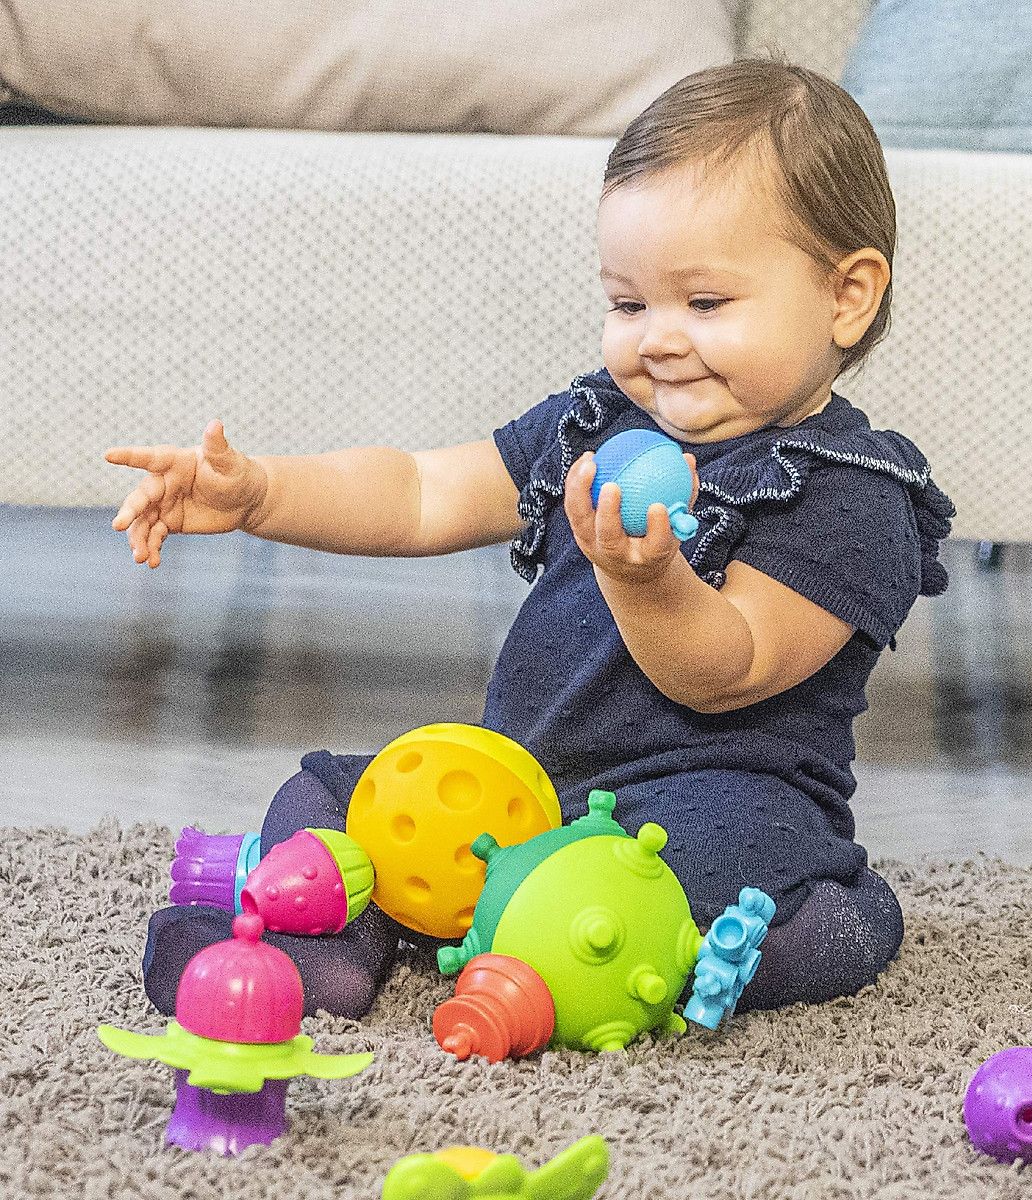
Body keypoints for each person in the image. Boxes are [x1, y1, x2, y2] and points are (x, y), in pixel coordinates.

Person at [105, 58, 954, 1021]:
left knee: (713, 880)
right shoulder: (596, 424)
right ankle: (331, 948)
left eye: (705, 303)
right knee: (333, 797)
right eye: (629, 304)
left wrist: (646, 582)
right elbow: (422, 493)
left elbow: (730, 668)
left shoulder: (850, 491)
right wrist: (263, 493)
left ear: (847, 297)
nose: (657, 338)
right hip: (527, 791)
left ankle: (810, 927)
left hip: (702, 801)